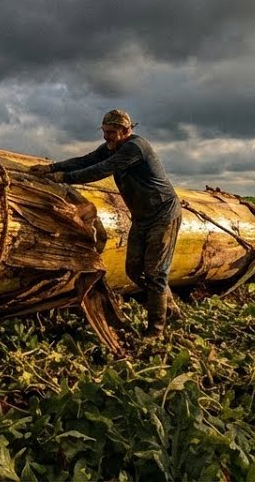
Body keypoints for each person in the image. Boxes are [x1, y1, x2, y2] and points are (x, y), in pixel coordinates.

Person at [28, 109, 181, 337]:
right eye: (104, 131)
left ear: (126, 130)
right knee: (134, 270)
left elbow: (100, 170)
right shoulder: (112, 147)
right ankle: (170, 308)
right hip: (142, 218)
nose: (106, 137)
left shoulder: (134, 148)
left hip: (163, 215)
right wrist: (52, 168)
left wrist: (62, 178)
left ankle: (155, 330)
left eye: (111, 132)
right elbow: (86, 160)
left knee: (155, 273)